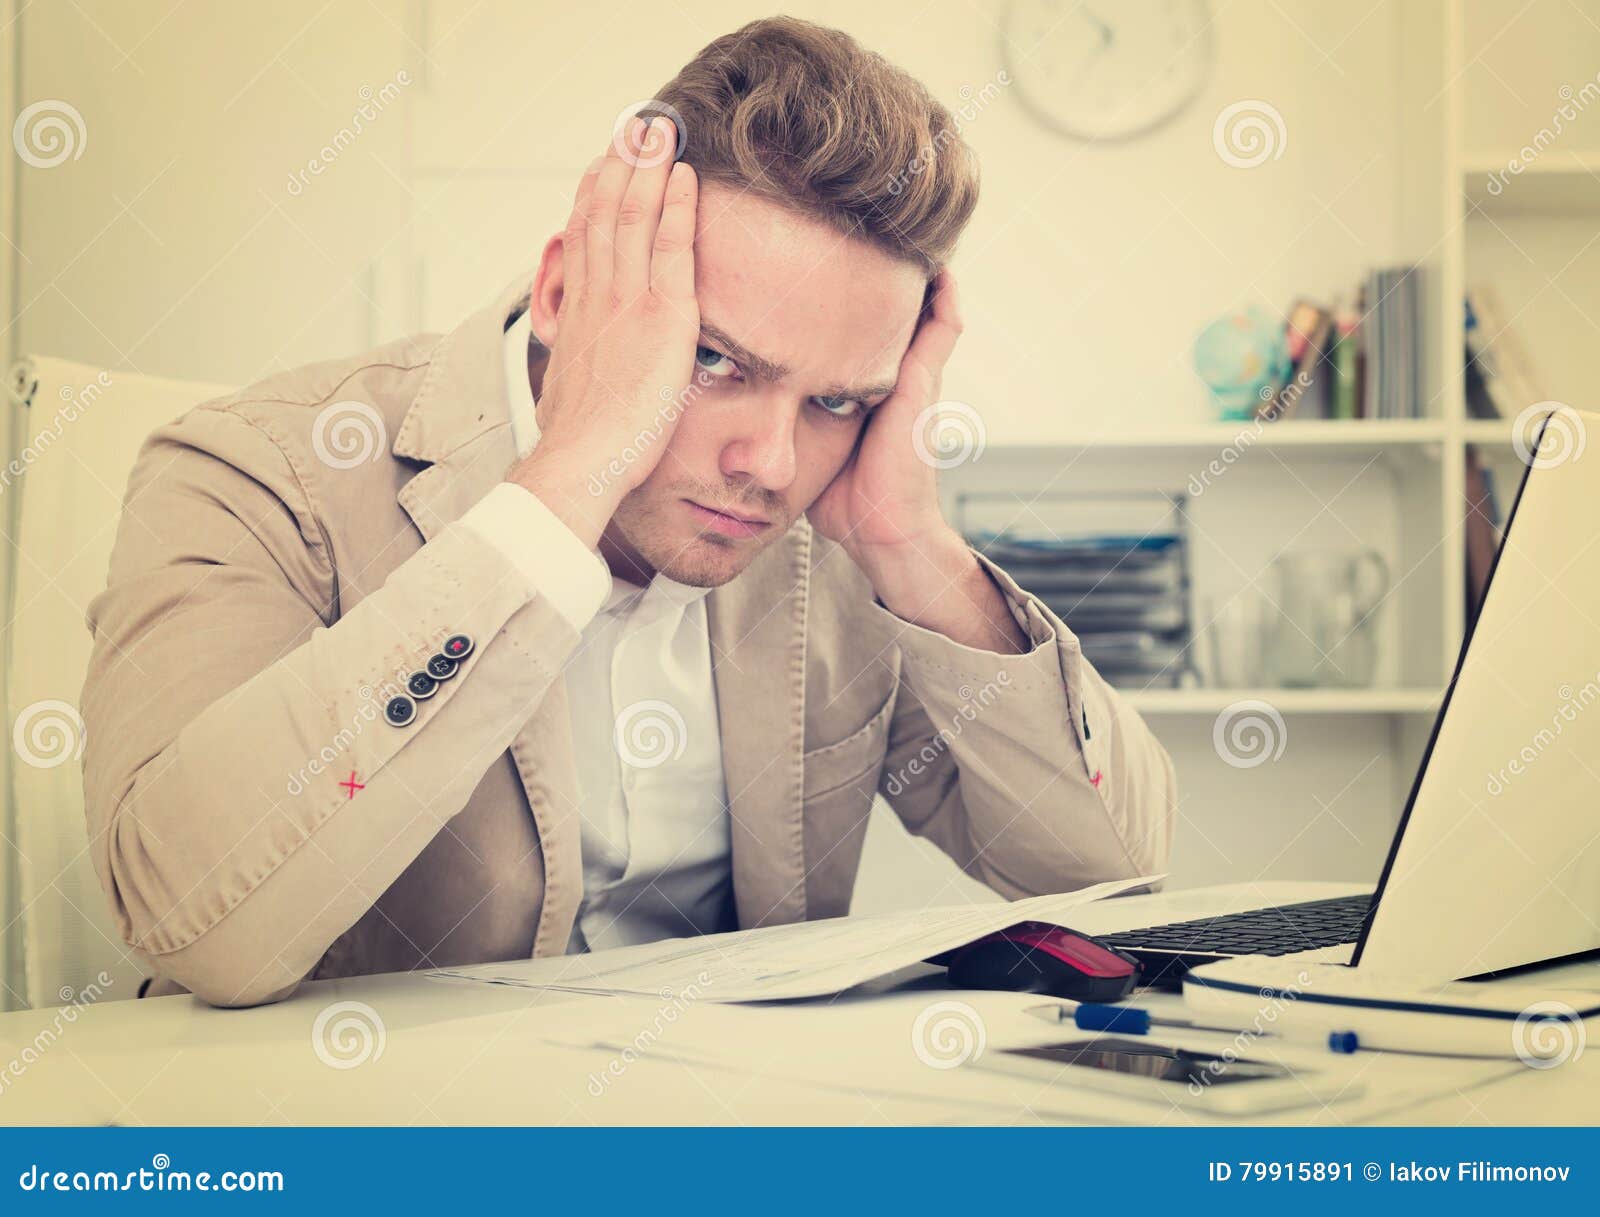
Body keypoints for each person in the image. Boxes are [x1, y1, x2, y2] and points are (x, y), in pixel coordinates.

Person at [80, 16, 1175, 1007]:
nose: (770, 460)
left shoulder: (837, 524)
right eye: (713, 359)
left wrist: (911, 546)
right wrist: (570, 478)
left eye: (837, 398)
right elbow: (198, 928)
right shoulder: (259, 469)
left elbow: (1113, 874)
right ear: (564, 294)